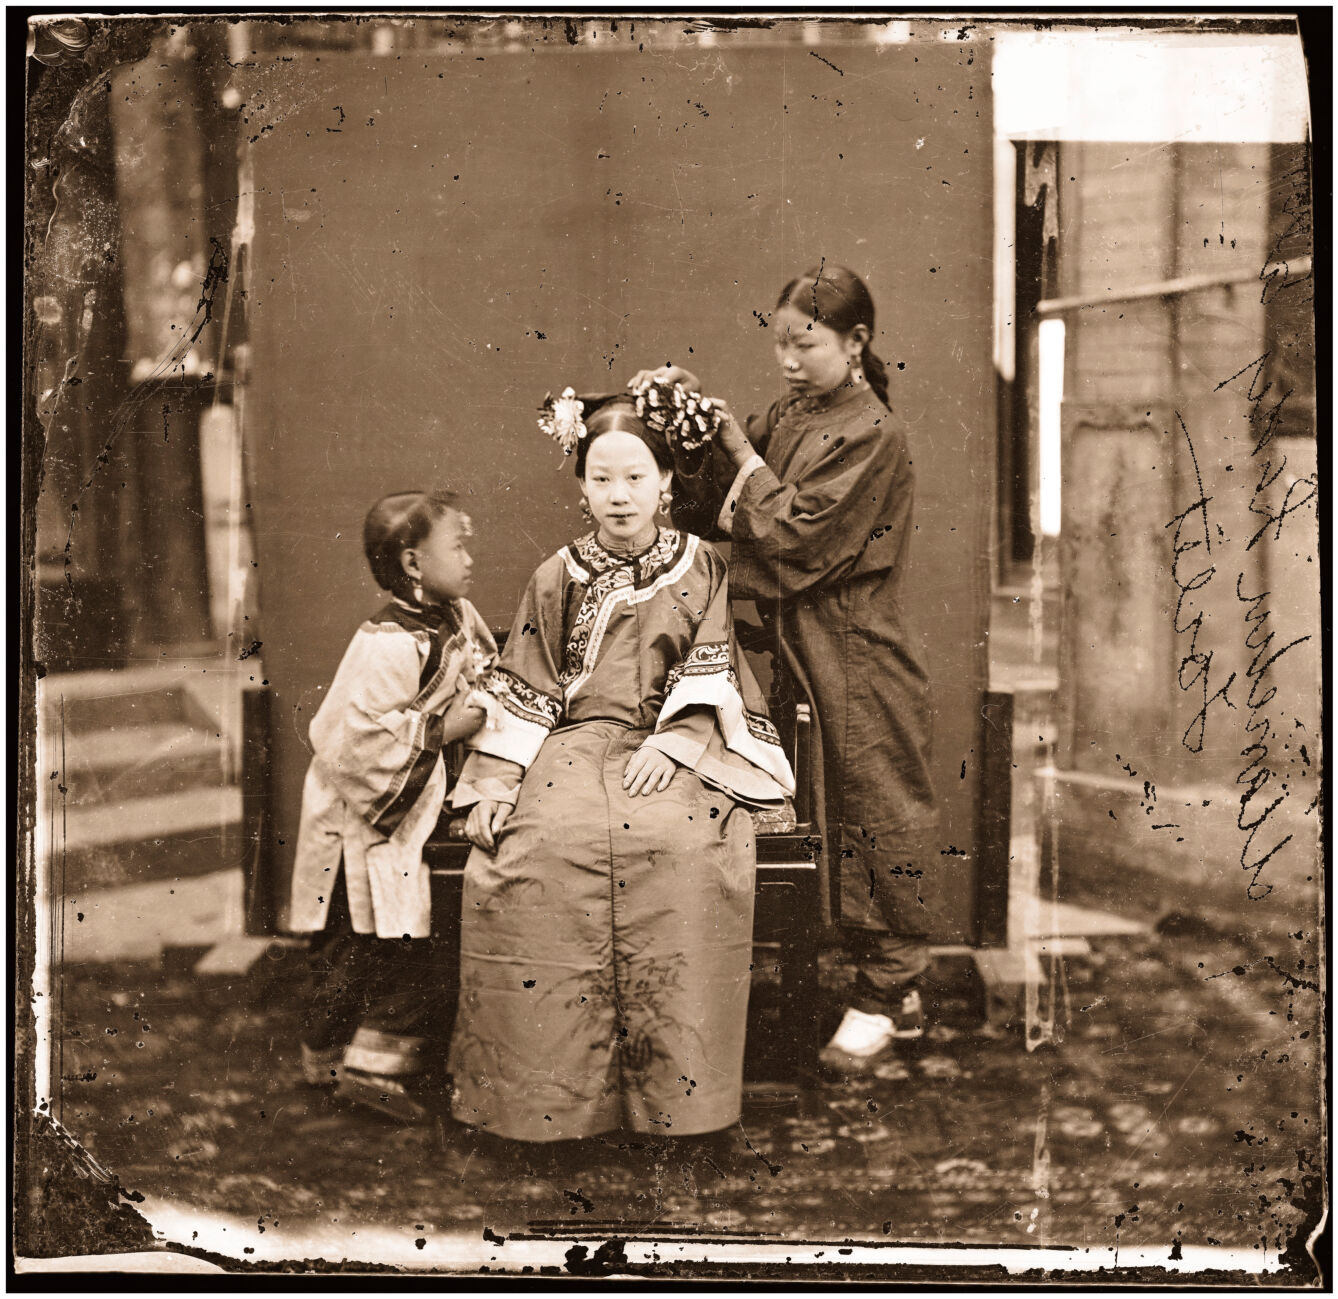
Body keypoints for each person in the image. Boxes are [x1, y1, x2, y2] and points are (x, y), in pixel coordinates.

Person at [445, 387, 794, 1144]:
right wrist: (498, 783)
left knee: (682, 847)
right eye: (602, 478)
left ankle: (681, 1106)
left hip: (677, 738)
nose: (620, 495)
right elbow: (529, 679)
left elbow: (713, 665)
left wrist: (675, 742)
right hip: (572, 743)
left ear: (667, 482)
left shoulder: (701, 564)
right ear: (581, 487)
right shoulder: (556, 574)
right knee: (532, 853)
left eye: (636, 476)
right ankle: (549, 1105)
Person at [630, 263, 940, 1077]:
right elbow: (716, 505)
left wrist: (735, 445)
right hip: (797, 639)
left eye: (804, 344)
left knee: (875, 803)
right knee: (823, 805)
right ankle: (897, 989)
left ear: (856, 341)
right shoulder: (798, 414)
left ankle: (885, 990)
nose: (787, 361)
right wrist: (689, 422)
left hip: (855, 646)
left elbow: (794, 535)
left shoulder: (873, 431)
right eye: (779, 343)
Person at [287, 490, 495, 1121]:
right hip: (360, 812)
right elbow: (350, 743)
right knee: (356, 945)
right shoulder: (386, 642)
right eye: (455, 547)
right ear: (412, 563)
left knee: (400, 943)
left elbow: (484, 667)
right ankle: (330, 1061)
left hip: (408, 803)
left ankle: (370, 1066)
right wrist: (455, 727)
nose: (468, 559)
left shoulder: (456, 614)